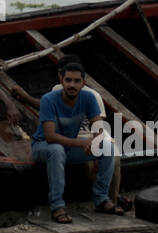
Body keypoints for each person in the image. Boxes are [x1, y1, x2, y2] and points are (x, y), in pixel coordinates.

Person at [31, 54, 126, 222]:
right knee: (57, 150)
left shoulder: (89, 97)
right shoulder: (49, 99)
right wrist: (82, 143)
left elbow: (98, 126)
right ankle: (57, 206)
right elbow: (50, 136)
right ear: (61, 80)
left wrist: (95, 141)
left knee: (108, 147)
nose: (72, 85)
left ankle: (101, 199)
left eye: (76, 81)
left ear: (83, 83)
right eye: (68, 80)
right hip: (43, 147)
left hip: (68, 147)